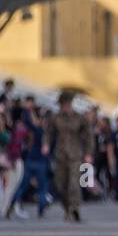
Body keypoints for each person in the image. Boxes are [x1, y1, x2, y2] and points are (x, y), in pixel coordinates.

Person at [50, 92, 91, 223]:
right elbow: (49, 133)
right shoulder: (55, 118)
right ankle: (67, 207)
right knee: (60, 184)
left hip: (75, 155)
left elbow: (88, 136)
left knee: (74, 183)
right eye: (62, 105)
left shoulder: (79, 118)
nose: (64, 107)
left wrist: (88, 153)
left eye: (66, 105)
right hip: (60, 155)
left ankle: (75, 208)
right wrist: (45, 145)